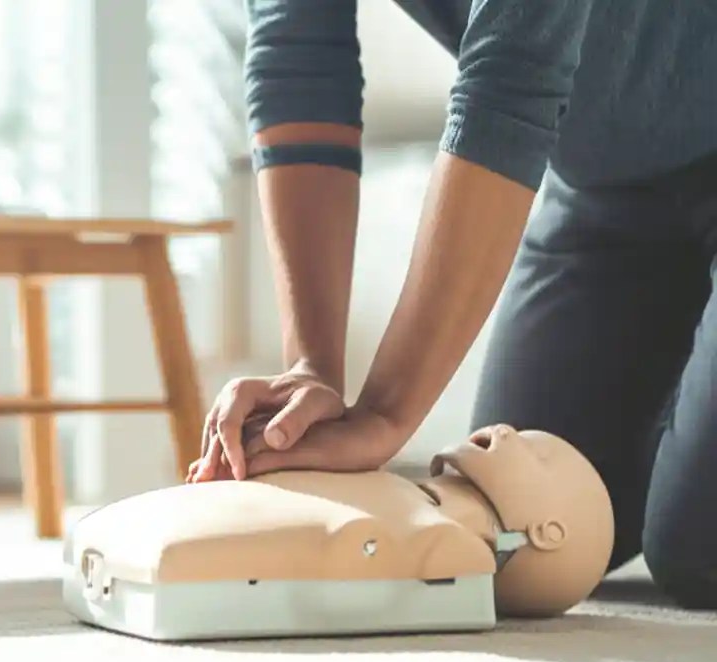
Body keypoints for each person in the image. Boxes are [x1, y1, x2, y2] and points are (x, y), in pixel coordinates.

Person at [189, 0, 717, 609]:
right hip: (605, 188)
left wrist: (385, 413)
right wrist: (310, 367)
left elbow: (512, 73)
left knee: (697, 550)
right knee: (513, 534)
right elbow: (297, 58)